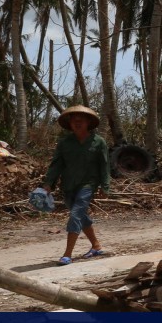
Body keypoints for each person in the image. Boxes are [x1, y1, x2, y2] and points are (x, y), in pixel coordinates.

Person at [42, 105, 110, 265]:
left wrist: (105, 186)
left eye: (81, 120)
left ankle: (67, 254)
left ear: (88, 122)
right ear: (70, 124)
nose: (77, 123)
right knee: (81, 216)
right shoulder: (65, 143)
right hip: (68, 186)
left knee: (76, 215)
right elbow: (56, 165)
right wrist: (48, 184)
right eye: (74, 121)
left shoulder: (99, 142)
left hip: (88, 184)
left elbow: (104, 165)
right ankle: (96, 246)